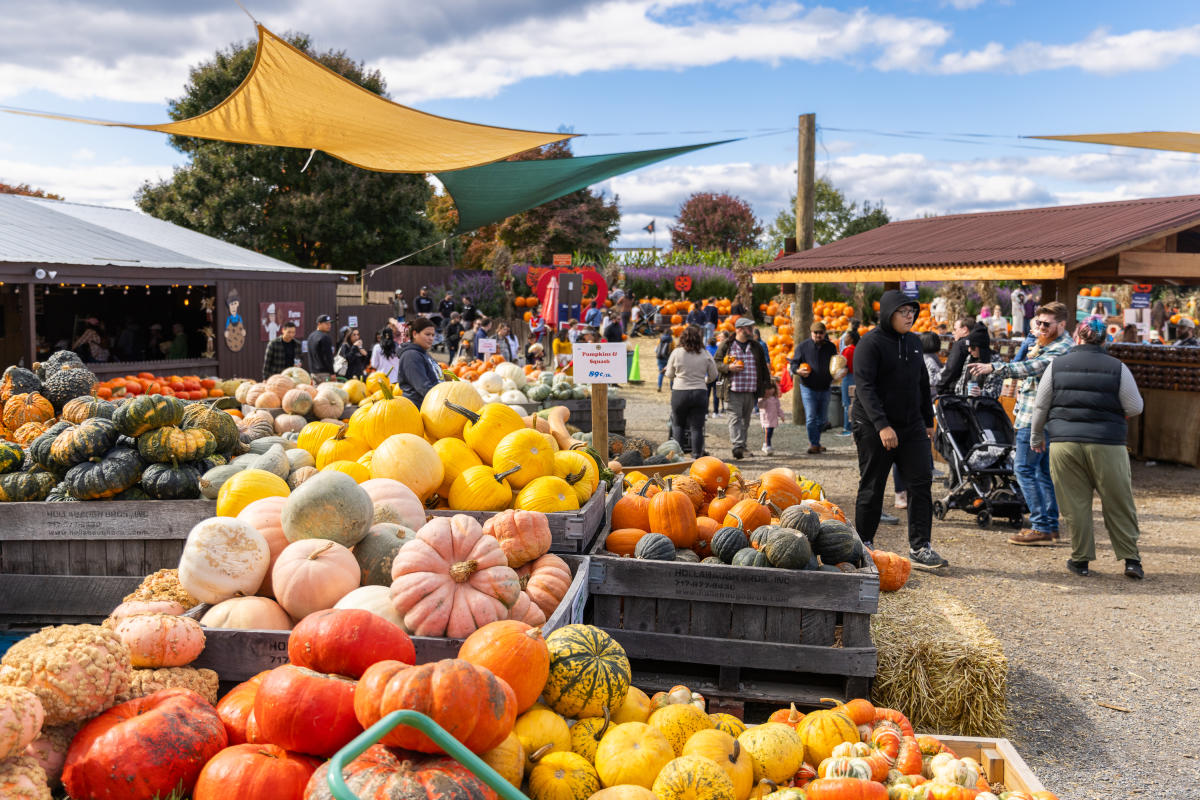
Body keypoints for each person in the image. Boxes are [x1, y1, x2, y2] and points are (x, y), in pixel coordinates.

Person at [1030, 320, 1145, 579]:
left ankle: (1080, 560)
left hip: (1065, 443)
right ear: (1105, 341)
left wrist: (1036, 436)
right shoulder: (1118, 367)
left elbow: (1041, 405)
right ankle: (1131, 560)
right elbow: (1135, 406)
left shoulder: (1056, 365)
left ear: (1077, 338)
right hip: (1108, 443)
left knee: (1075, 503)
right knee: (1118, 501)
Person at [851, 290, 945, 568]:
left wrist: (927, 421)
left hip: (911, 425)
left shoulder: (914, 342)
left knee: (921, 483)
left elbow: (921, 383)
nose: (909, 316)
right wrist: (882, 426)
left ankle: (920, 546)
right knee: (873, 484)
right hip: (874, 426)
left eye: (912, 312)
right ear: (888, 314)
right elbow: (865, 388)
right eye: (903, 312)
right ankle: (863, 544)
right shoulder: (870, 344)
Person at [968, 301, 1074, 547]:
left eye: (1047, 324)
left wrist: (994, 367)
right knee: (1042, 472)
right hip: (1039, 416)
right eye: (1038, 323)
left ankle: (1040, 526)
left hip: (1036, 418)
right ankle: (1049, 526)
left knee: (1024, 469)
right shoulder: (1049, 342)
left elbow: (1031, 367)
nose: (1041, 328)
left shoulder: (1061, 348)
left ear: (1062, 324)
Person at [716, 317, 771, 460]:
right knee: (735, 418)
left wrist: (767, 386)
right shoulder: (727, 345)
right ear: (739, 329)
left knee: (745, 420)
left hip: (750, 389)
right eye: (749, 328)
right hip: (732, 389)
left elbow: (763, 368)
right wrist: (728, 367)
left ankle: (742, 446)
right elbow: (716, 362)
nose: (752, 330)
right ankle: (738, 446)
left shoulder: (756, 346)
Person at [665, 325, 719, 459]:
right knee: (697, 427)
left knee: (678, 425)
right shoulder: (705, 353)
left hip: (680, 392)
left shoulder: (677, 353)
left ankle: (678, 456)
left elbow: (669, 373)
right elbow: (714, 374)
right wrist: (704, 380)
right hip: (699, 391)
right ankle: (696, 456)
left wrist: (677, 377)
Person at [789, 321, 838, 454]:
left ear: (824, 333)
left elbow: (835, 363)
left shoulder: (831, 347)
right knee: (811, 417)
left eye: (820, 333)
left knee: (822, 420)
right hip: (808, 387)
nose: (818, 335)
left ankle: (816, 441)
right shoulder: (803, 347)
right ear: (811, 333)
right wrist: (798, 371)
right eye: (815, 333)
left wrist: (839, 372)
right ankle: (814, 444)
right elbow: (793, 364)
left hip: (825, 387)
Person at [396, 317, 442, 406]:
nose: (431, 338)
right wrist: (443, 398)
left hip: (430, 405)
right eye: (427, 334)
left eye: (433, 335)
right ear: (415, 334)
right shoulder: (411, 356)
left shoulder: (423, 353)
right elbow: (423, 387)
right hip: (418, 408)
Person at [955, 326, 1003, 398]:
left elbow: (996, 391)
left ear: (981, 347)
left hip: (984, 403)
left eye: (972, 347)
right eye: (968, 347)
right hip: (965, 402)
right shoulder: (969, 358)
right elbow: (961, 382)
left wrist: (981, 393)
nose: (969, 350)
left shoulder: (995, 361)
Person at [935, 317, 974, 395]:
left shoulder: (960, 345)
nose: (953, 332)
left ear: (965, 329)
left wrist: (939, 387)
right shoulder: (976, 344)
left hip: (955, 390)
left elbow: (951, 368)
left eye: (955, 329)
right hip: (972, 389)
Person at [837, 328, 860, 437]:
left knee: (847, 403)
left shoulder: (847, 350)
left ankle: (847, 427)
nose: (843, 339)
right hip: (857, 377)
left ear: (850, 339)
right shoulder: (858, 349)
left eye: (846, 337)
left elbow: (844, 366)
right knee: (855, 402)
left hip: (848, 377)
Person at [758, 379, 784, 455]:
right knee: (768, 432)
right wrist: (764, 399)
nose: (769, 391)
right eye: (767, 389)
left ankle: (766, 444)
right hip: (766, 419)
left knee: (770, 433)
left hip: (773, 419)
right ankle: (768, 446)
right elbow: (760, 406)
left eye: (771, 388)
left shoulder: (775, 398)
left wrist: (781, 415)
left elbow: (778, 408)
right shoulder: (762, 398)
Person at [306, 314, 335, 380]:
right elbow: (328, 357)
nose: (329, 325)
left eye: (330, 323)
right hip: (324, 374)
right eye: (326, 324)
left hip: (313, 373)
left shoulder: (311, 336)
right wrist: (332, 373)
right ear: (319, 324)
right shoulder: (325, 337)